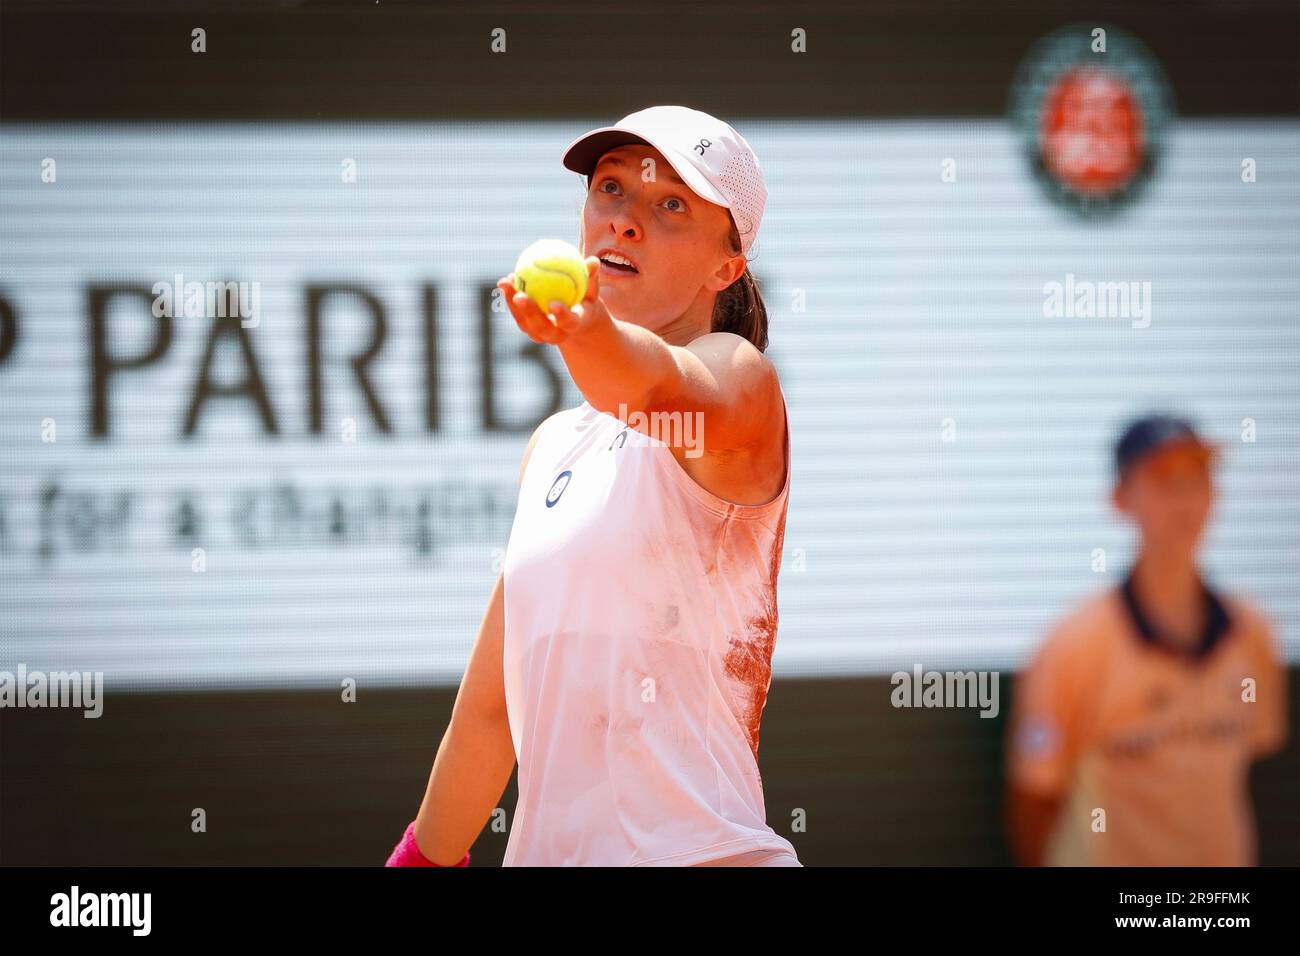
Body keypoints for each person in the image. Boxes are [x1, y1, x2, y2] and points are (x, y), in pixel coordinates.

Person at [386, 105, 801, 866]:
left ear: (727, 267)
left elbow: (649, 391)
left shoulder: (742, 385)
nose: (626, 220)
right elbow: (490, 712)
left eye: (672, 203)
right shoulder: (552, 447)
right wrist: (419, 861)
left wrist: (584, 330)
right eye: (610, 189)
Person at [1005, 413, 1289, 866]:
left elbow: (1251, 757)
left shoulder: (1252, 634)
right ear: (1121, 500)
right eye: (1163, 481)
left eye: (1197, 478)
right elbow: (1036, 794)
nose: (1185, 500)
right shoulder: (1074, 646)